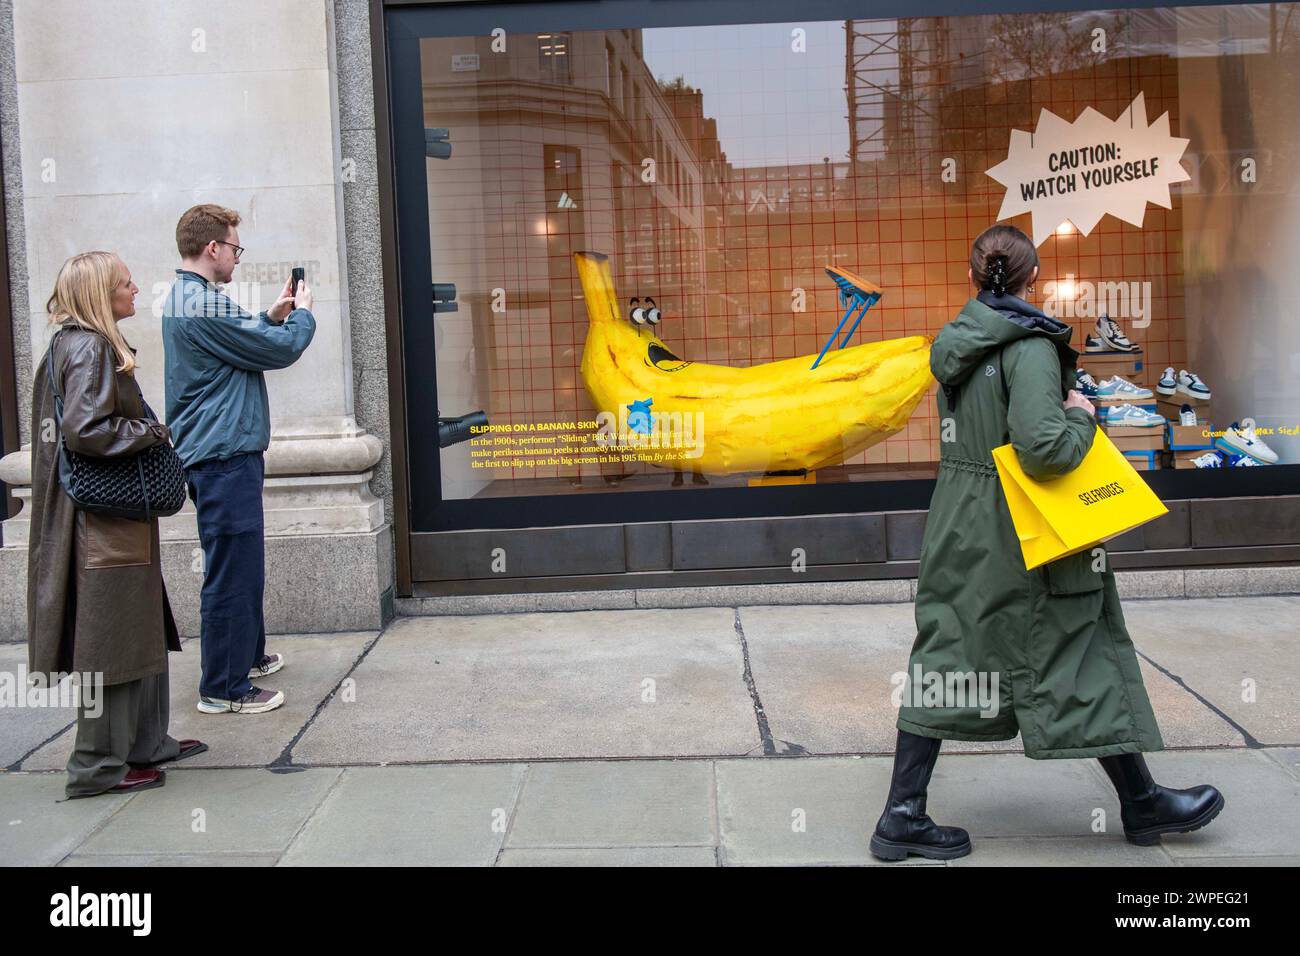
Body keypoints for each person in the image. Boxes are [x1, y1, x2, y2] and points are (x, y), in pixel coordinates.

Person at [870, 224, 1224, 860]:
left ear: (971, 279)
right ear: (1034, 281)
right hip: (1025, 526)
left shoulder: (959, 344)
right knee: (1078, 644)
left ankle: (903, 814)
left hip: (961, 519)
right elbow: (1044, 451)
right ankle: (1141, 802)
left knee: (950, 654)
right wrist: (1083, 418)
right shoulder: (1030, 347)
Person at [28, 251, 207, 798]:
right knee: (111, 641)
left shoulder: (72, 343)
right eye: (126, 283)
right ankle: (97, 767)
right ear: (100, 294)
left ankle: (146, 743)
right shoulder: (88, 347)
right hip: (101, 524)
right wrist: (154, 432)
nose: (136, 289)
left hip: (106, 518)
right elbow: (86, 430)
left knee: (138, 627)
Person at [162, 204, 315, 715]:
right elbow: (279, 350)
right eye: (234, 248)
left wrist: (270, 316)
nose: (236, 258)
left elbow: (244, 338)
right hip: (223, 456)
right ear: (212, 249)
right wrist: (303, 314)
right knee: (233, 570)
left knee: (241, 564)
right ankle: (223, 689)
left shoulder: (194, 298)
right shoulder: (202, 303)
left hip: (222, 453)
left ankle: (246, 657)